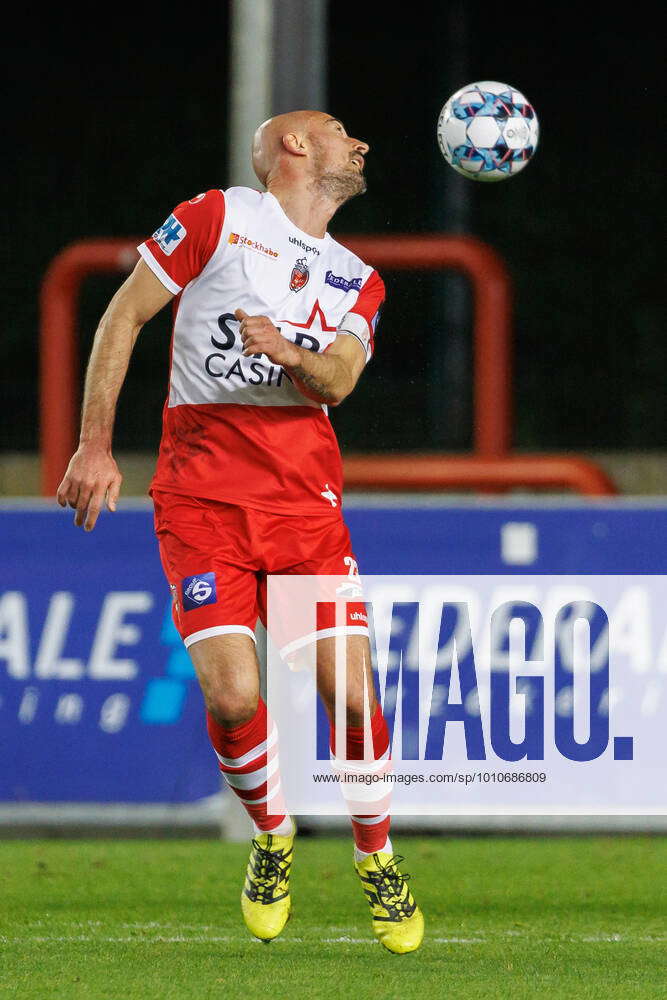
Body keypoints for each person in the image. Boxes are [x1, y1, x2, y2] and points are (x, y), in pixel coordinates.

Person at [56, 110, 423, 954]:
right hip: (201, 504)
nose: (360, 142)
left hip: (303, 511)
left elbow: (337, 381)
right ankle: (271, 835)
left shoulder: (357, 278)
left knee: (352, 694)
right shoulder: (218, 216)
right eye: (340, 130)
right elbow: (123, 315)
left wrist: (293, 354)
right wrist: (96, 444)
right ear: (294, 146)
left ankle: (378, 858)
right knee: (232, 696)